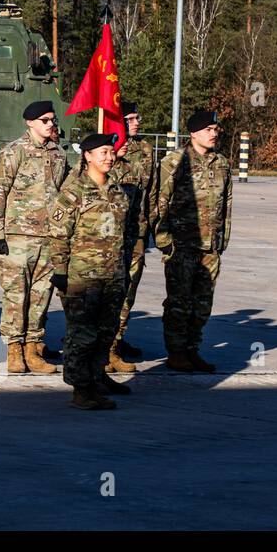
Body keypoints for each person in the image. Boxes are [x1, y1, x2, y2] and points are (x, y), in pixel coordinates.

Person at [49, 133, 140, 409]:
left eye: (111, 152)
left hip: (113, 275)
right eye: (102, 152)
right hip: (82, 277)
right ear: (87, 156)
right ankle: (81, 388)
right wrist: (61, 270)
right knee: (82, 334)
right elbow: (58, 233)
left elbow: (127, 233)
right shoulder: (74, 191)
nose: (109, 157)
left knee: (105, 331)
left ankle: (97, 376)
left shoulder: (118, 191)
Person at [0, 100, 68, 375]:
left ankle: (33, 347)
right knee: (16, 294)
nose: (50, 124)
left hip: (47, 236)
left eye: (52, 120)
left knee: (41, 294)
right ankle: (13, 348)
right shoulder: (13, 152)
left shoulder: (58, 154)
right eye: (45, 120)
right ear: (30, 122)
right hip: (17, 236)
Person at [155, 109, 233, 373]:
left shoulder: (221, 163)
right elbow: (159, 202)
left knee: (202, 303)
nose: (214, 134)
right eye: (208, 130)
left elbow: (227, 204)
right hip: (182, 245)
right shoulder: (174, 161)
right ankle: (176, 352)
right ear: (193, 133)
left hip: (210, 246)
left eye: (216, 129)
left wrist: (223, 239)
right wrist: (164, 239)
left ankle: (192, 349)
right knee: (179, 302)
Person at [107, 101, 156, 366]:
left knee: (129, 287)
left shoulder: (145, 150)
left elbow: (152, 191)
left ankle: (117, 337)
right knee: (109, 289)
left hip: (136, 231)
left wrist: (155, 227)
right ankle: (107, 345)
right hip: (109, 233)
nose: (137, 122)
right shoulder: (105, 148)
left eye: (137, 118)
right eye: (131, 119)